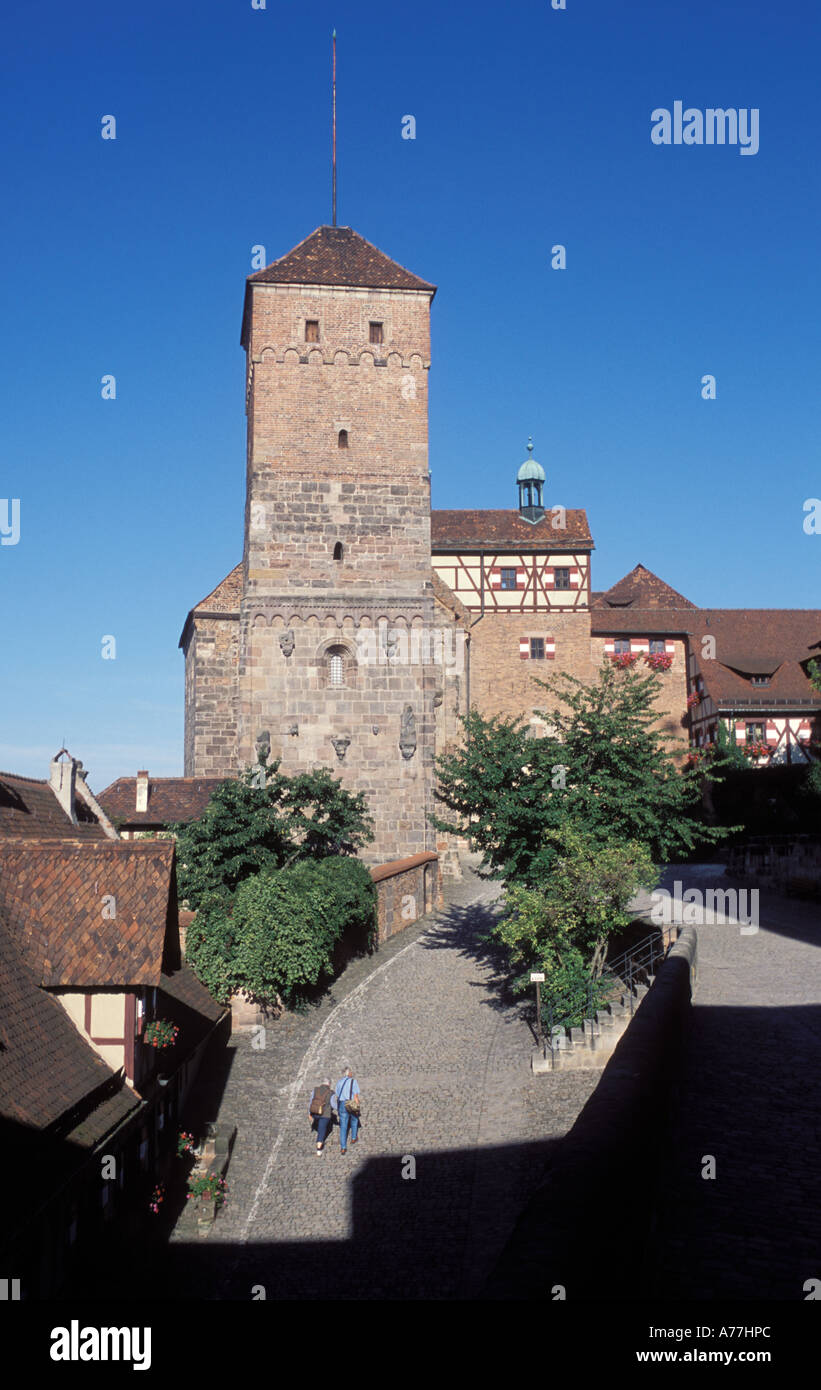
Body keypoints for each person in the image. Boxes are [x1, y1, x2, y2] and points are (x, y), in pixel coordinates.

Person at [335, 1066, 361, 1154]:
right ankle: (353, 1137)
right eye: (351, 1072)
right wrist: (357, 1105)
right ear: (349, 1073)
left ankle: (343, 1147)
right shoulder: (353, 1081)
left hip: (342, 1104)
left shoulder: (339, 1082)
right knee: (354, 1119)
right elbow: (356, 1096)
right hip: (350, 1102)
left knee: (343, 1125)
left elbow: (337, 1096)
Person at [307, 1077, 336, 1154]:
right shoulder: (331, 1093)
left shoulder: (315, 1090)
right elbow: (333, 1105)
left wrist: (309, 1113)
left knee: (318, 1124)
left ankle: (316, 1125)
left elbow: (311, 1102)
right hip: (325, 1114)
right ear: (329, 1084)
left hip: (315, 1112)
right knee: (322, 1130)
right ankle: (319, 1149)